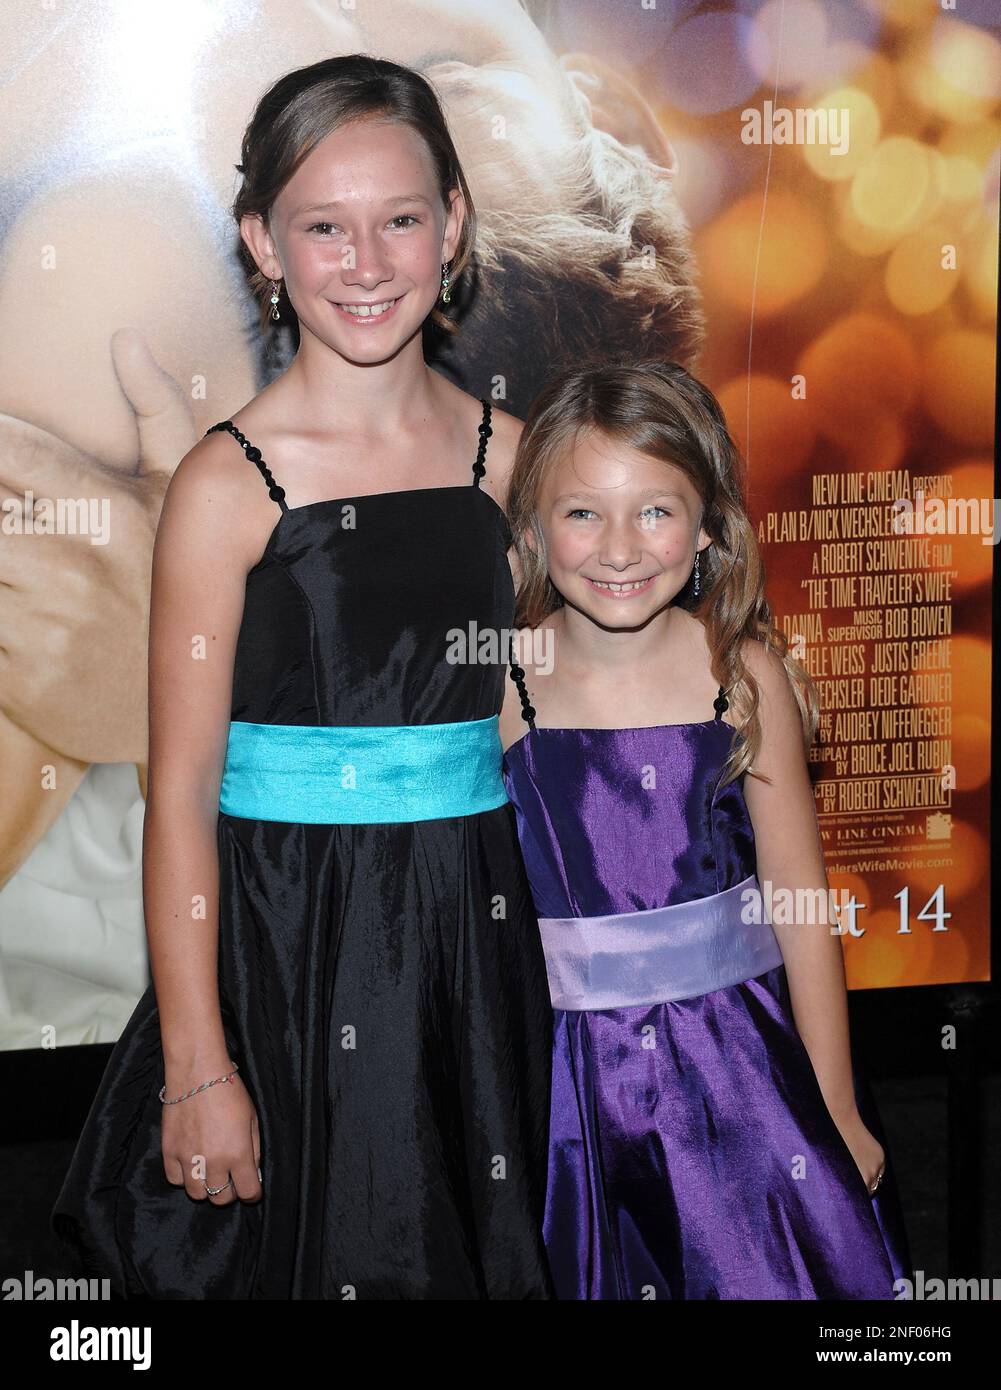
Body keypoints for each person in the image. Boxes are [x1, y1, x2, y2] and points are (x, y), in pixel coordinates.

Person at [51, 54, 555, 1300]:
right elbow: (179, 797)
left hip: (477, 948)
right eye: (322, 227)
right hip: (291, 946)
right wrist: (197, 1064)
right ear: (260, 244)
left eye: (400, 219)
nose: (366, 261)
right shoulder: (229, 487)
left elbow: (541, 720)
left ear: (455, 227)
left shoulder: (515, 456)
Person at [498, 359, 913, 1299]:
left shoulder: (742, 670)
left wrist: (835, 1104)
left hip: (744, 1073)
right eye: (581, 513)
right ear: (532, 526)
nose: (618, 547)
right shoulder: (503, 684)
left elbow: (800, 906)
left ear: (707, 526)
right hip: (568, 1089)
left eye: (654, 510)